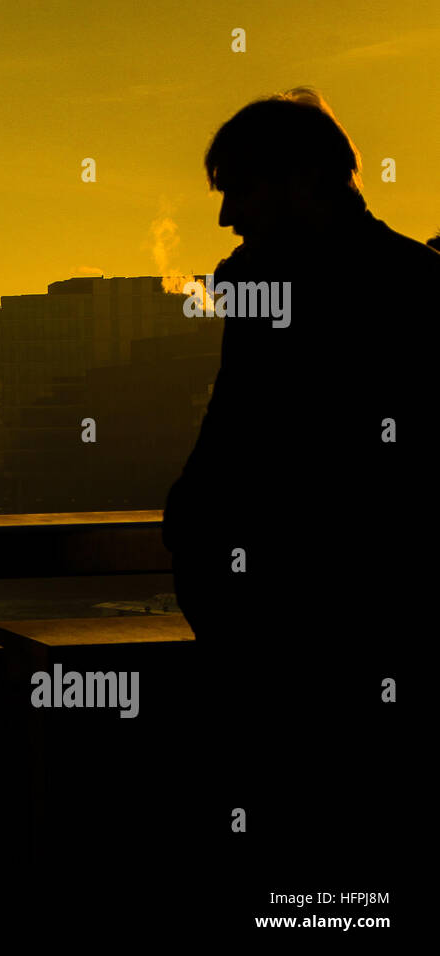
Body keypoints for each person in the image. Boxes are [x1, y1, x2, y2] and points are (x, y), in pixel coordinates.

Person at [163, 89, 434, 903]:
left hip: (307, 631)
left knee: (301, 849)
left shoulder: (294, 295)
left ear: (304, 180)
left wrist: (203, 540)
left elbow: (239, 433)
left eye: (238, 190)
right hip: (348, 628)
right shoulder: (413, 286)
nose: (225, 218)